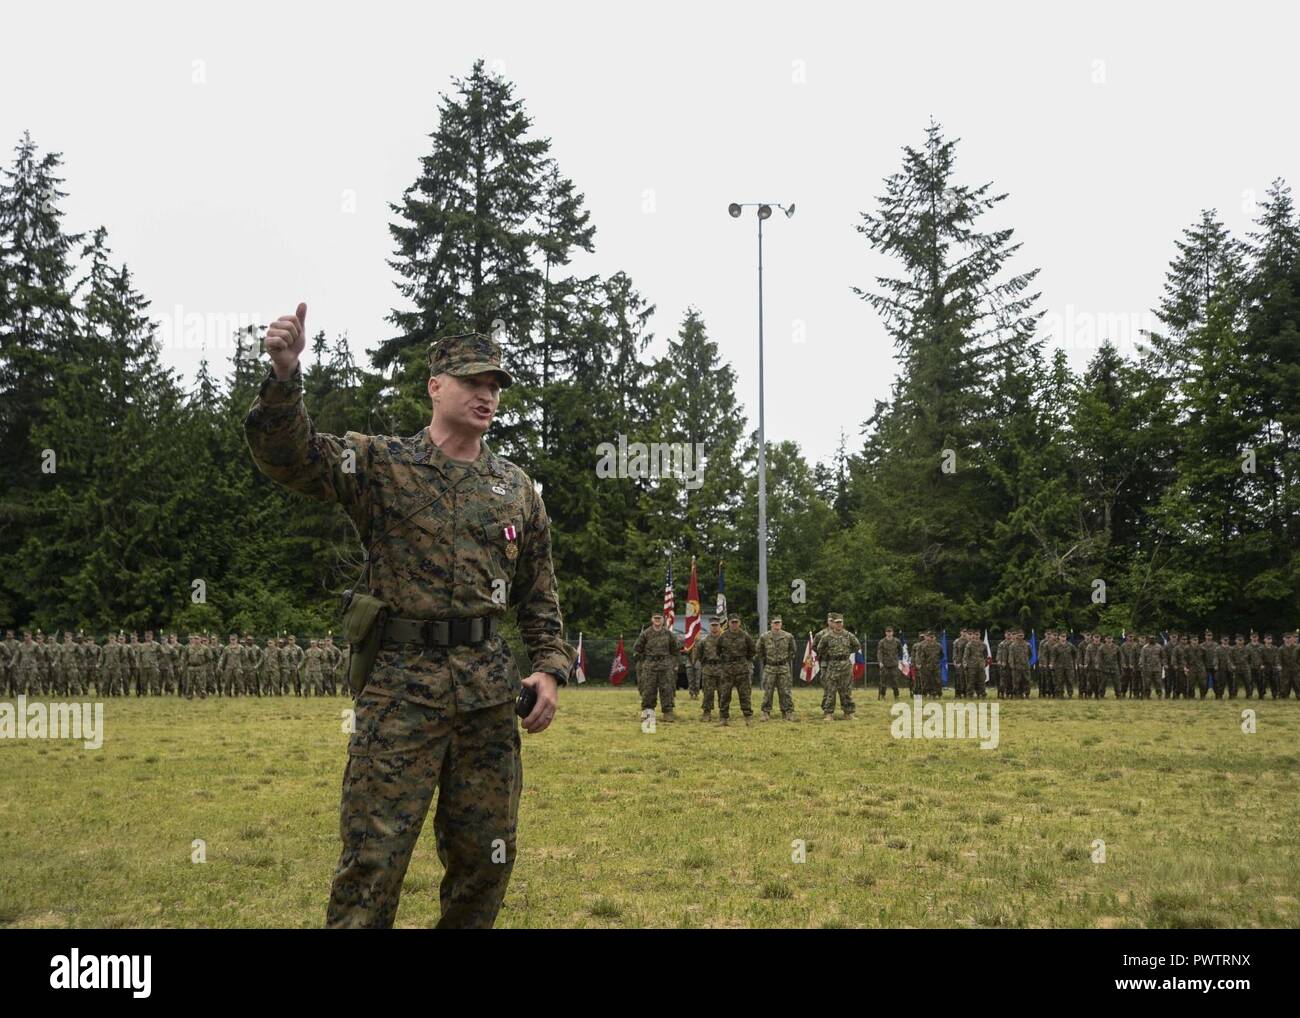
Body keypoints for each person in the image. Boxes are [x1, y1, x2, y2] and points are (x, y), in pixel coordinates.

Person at [246, 305, 572, 929]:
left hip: (486, 697)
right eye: (473, 381)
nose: (486, 395)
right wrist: (286, 376)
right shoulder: (381, 465)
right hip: (400, 694)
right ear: (435, 385)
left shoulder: (515, 488)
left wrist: (550, 670)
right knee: (373, 864)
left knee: (486, 861)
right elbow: (291, 458)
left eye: (495, 385)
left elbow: (538, 595)